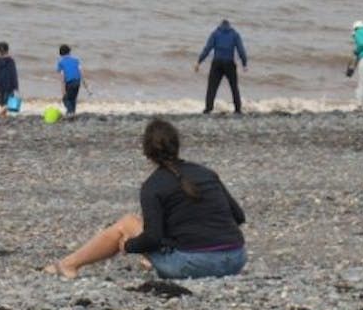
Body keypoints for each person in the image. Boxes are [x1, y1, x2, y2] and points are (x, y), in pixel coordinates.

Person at [45, 118, 246, 279]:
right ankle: (150, 259)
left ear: (146, 152)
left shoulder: (153, 185)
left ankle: (68, 265)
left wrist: (128, 246)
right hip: (236, 258)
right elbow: (238, 216)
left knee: (127, 223)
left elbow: (153, 237)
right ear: (177, 146)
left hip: (194, 265)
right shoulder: (206, 173)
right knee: (165, 229)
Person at [195, 19, 247, 115]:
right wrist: (244, 64)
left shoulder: (215, 33)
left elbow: (207, 48)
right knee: (234, 87)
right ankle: (238, 109)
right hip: (229, 64)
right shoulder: (235, 35)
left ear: (220, 25)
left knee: (212, 87)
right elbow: (241, 50)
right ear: (229, 26)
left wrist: (199, 62)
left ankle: (208, 108)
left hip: (217, 63)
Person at [56, 44, 85, 117]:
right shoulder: (76, 60)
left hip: (69, 82)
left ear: (60, 54)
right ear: (69, 51)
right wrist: (84, 83)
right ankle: (73, 113)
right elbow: (81, 72)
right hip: (77, 81)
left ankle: (70, 112)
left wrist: (63, 90)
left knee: (65, 99)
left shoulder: (61, 62)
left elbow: (62, 77)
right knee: (73, 98)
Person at [0, 41, 19, 115]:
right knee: (2, 103)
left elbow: (13, 74)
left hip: (7, 86)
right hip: (2, 85)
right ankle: (3, 115)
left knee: (6, 102)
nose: (1, 52)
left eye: (1, 50)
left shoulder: (10, 61)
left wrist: (15, 86)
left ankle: (0, 114)